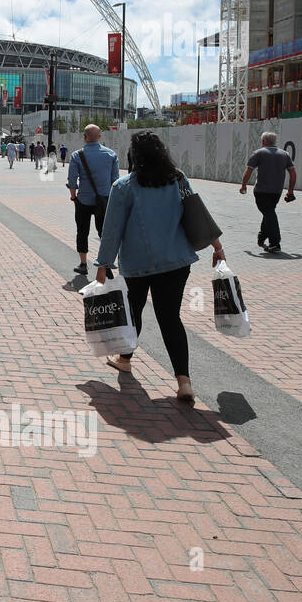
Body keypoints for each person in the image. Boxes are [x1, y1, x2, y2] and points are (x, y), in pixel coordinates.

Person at [94, 131, 225, 403]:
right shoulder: (177, 179)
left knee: (134, 312)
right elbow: (197, 213)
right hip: (176, 261)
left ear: (135, 155)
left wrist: (103, 264)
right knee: (170, 318)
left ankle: (125, 359)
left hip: (138, 265)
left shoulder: (124, 186)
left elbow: (112, 230)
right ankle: (183, 382)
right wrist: (217, 247)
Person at [67, 124, 120, 275]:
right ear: (100, 137)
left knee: (82, 231)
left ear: (85, 137)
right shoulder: (111, 155)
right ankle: (105, 264)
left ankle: (83, 264)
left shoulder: (77, 155)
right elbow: (115, 181)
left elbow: (72, 180)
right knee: (104, 233)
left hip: (83, 200)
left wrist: (73, 197)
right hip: (104, 201)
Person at [239, 131, 296, 253]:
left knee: (269, 214)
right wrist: (290, 190)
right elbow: (293, 173)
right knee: (269, 213)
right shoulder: (284, 154)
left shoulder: (259, 153)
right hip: (277, 191)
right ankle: (262, 236)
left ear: (263, 141)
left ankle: (275, 242)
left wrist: (243, 185)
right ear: (274, 141)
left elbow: (249, 170)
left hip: (261, 191)